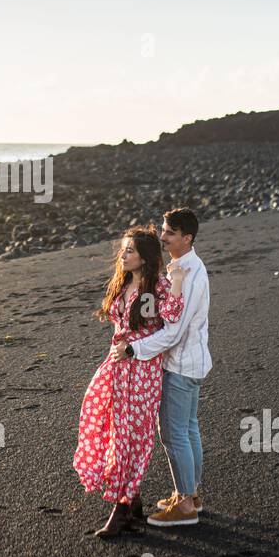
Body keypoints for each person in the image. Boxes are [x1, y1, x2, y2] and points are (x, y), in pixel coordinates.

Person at [73, 225, 185, 538]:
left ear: (146, 257)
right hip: (117, 366)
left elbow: (173, 318)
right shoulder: (124, 284)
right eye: (123, 249)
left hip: (143, 370)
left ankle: (121, 511)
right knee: (108, 425)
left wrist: (176, 282)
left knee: (132, 437)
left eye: (130, 250)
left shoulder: (158, 286)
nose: (123, 254)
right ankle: (131, 500)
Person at [111, 207, 210, 528]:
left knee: (173, 434)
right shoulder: (181, 269)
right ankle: (191, 495)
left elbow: (174, 331)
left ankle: (184, 505)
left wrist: (134, 349)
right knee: (189, 429)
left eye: (169, 232)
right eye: (164, 231)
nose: (163, 237)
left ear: (187, 238)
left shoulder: (190, 274)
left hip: (181, 364)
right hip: (189, 362)